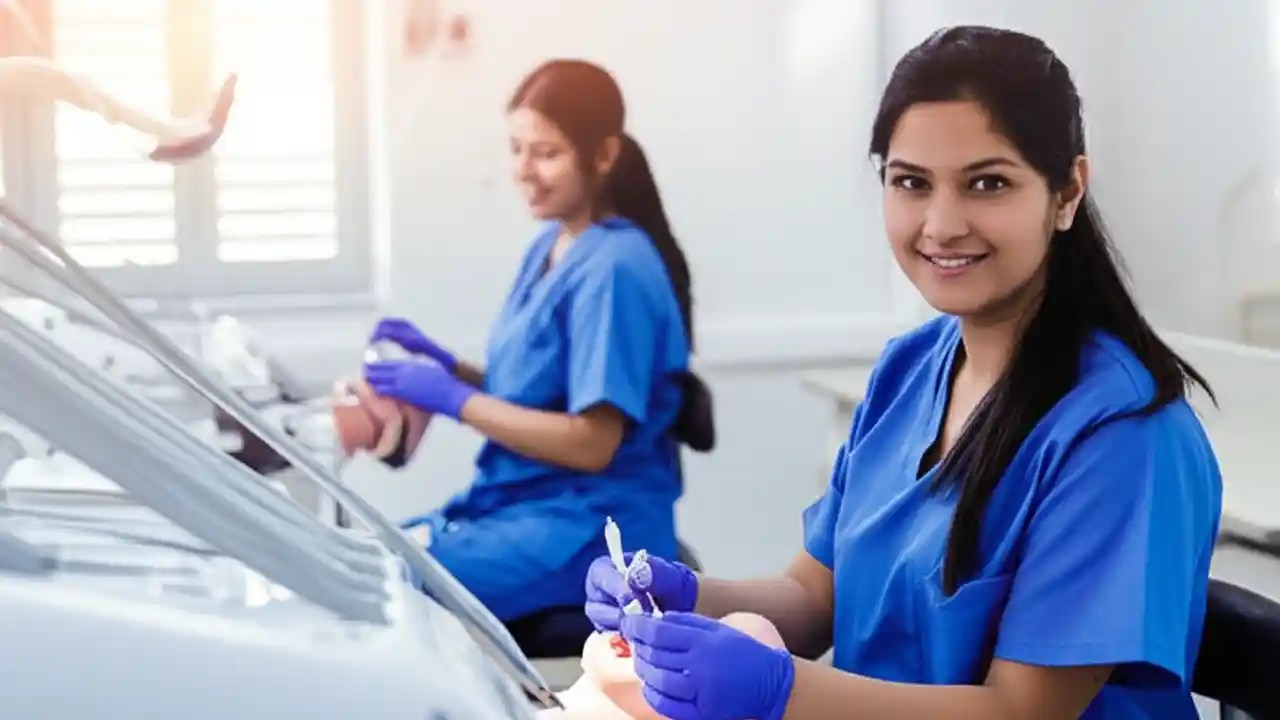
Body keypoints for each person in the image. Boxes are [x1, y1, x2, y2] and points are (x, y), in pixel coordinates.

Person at [585, 26, 1222, 720]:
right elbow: (813, 599)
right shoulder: (909, 371)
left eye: (987, 183)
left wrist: (781, 688)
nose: (942, 224)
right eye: (911, 183)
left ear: (1067, 191)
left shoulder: (1123, 433)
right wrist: (682, 598)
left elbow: (1023, 712)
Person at [362, 59, 695, 626]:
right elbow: (540, 392)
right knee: (369, 555)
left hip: (590, 529)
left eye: (546, 153)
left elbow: (593, 442)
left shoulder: (614, 267)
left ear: (604, 155)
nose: (523, 170)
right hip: (526, 508)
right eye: (516, 149)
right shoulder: (551, 245)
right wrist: (451, 370)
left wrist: (453, 399)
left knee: (389, 585)